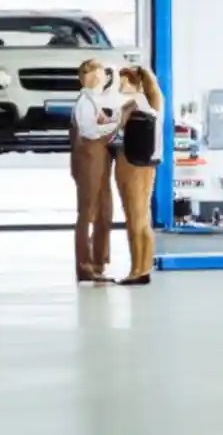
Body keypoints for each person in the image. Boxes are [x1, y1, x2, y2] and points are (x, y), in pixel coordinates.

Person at [113, 65, 164, 286]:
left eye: (120, 81)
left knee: (134, 218)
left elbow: (113, 130)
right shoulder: (152, 103)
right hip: (147, 163)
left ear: (130, 82)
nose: (117, 85)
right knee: (143, 217)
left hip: (130, 162)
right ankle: (144, 267)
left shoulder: (132, 104)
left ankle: (136, 269)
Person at [70, 59, 118, 283]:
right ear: (91, 76)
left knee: (104, 212)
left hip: (99, 164)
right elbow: (90, 132)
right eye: (100, 73)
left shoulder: (93, 102)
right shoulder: (84, 102)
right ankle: (85, 265)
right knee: (88, 213)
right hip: (88, 163)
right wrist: (115, 125)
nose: (104, 76)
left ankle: (98, 262)